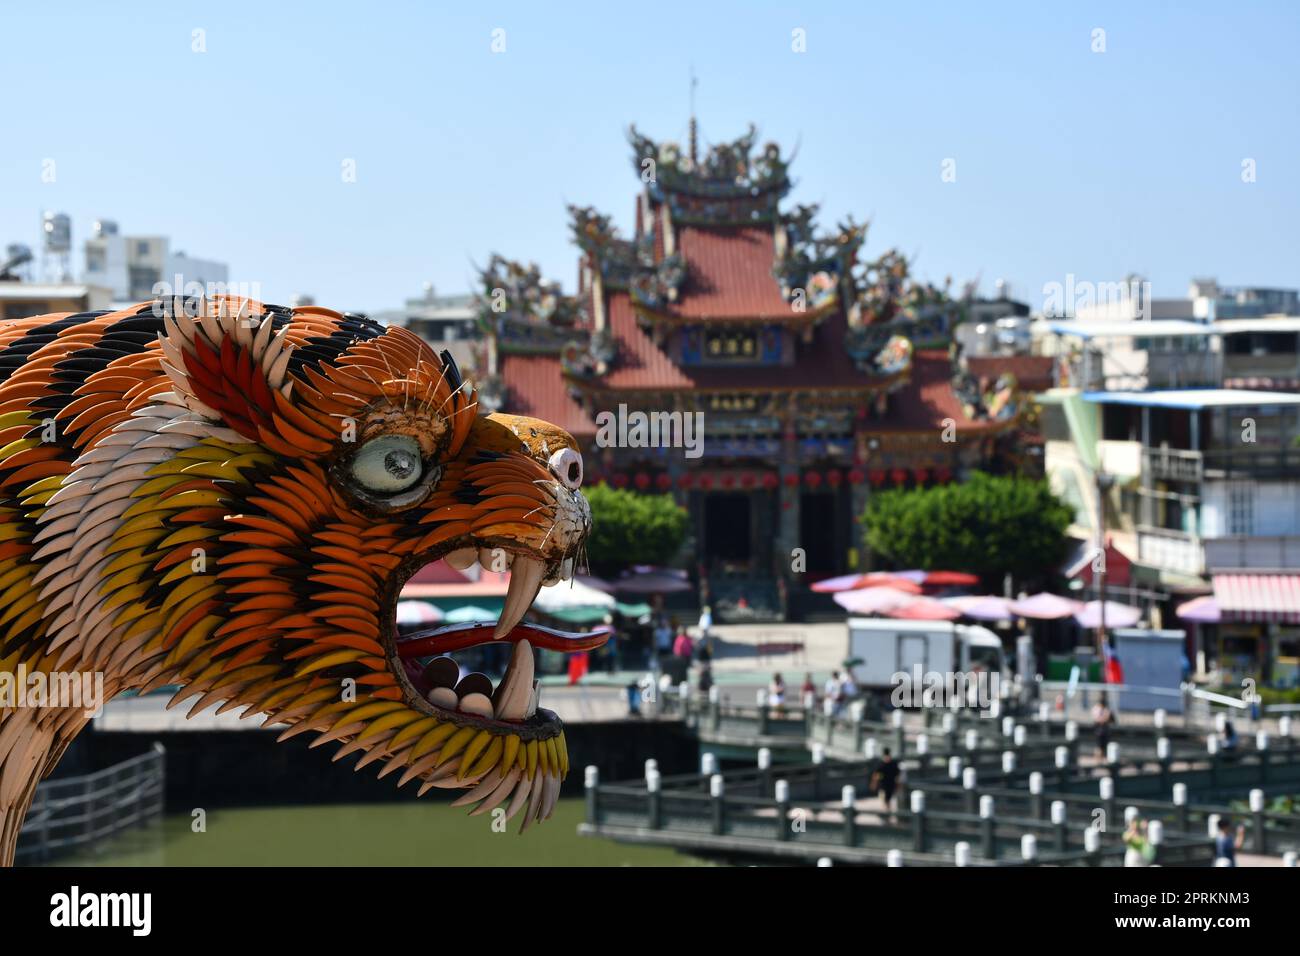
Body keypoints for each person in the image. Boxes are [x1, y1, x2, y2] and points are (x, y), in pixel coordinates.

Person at [871, 747, 901, 819]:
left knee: (885, 800)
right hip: (891, 784)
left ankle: (887, 814)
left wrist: (874, 783)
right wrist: (898, 785)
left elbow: (876, 774)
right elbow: (898, 775)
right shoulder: (894, 763)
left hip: (884, 785)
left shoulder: (881, 764)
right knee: (888, 800)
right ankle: (888, 813)